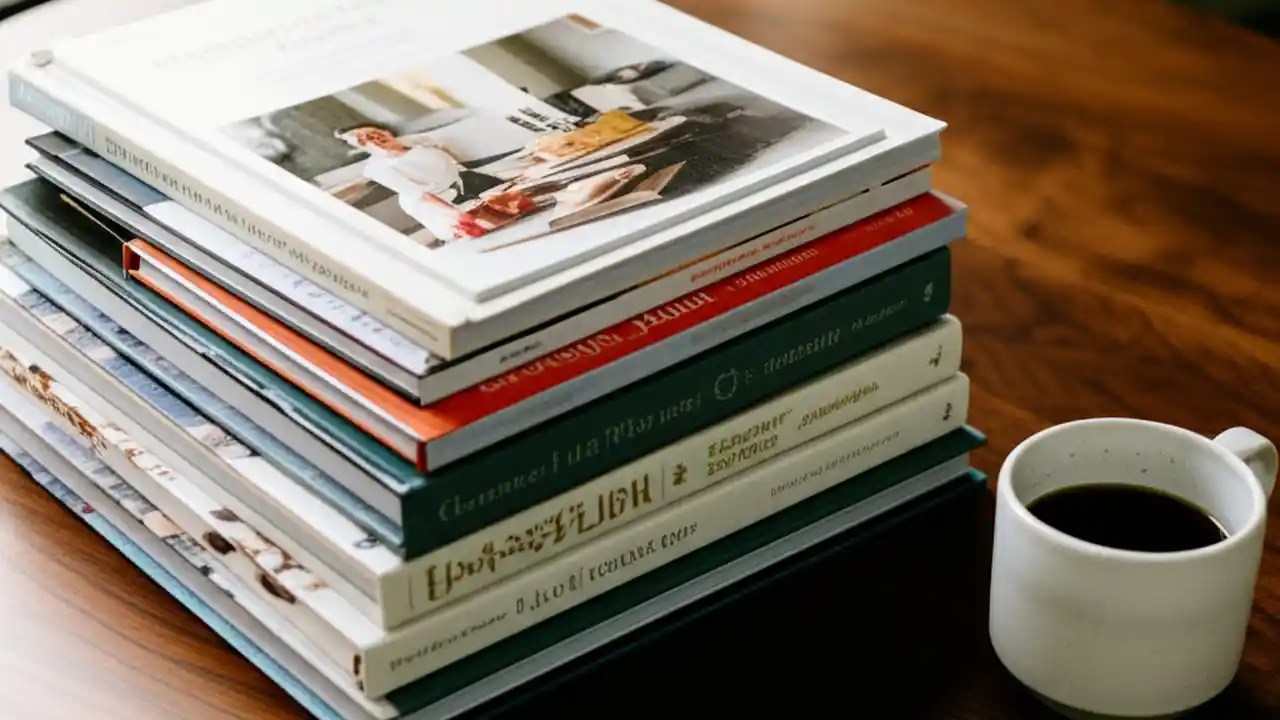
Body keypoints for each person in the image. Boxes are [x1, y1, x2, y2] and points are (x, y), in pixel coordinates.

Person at [334, 124, 497, 241]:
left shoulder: (417, 142)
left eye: (375, 133)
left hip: (464, 183)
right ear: (363, 148)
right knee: (477, 229)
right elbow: (419, 194)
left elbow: (451, 161)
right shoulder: (376, 168)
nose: (375, 139)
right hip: (432, 203)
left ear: (386, 131)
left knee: (501, 205)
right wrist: (455, 213)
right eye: (365, 141)